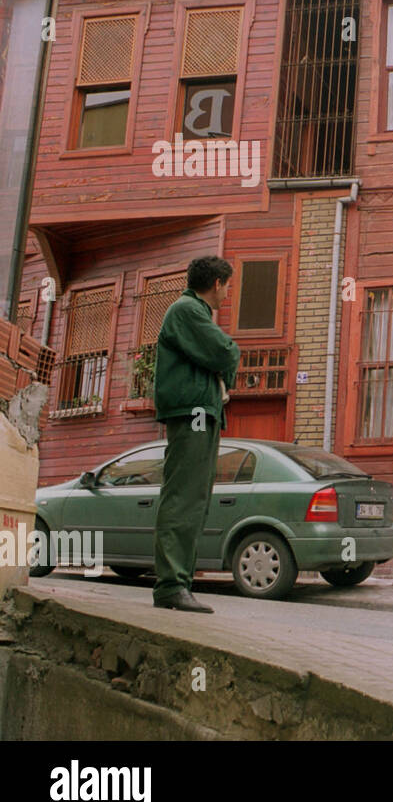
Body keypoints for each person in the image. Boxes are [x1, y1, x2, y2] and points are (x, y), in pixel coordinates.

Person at [152, 256, 241, 613]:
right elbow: (225, 351)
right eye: (228, 285)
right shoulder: (187, 309)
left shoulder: (191, 312)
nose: (228, 292)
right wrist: (228, 364)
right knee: (185, 495)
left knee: (194, 496)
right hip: (194, 415)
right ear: (217, 283)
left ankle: (178, 584)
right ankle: (172, 585)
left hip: (200, 413)